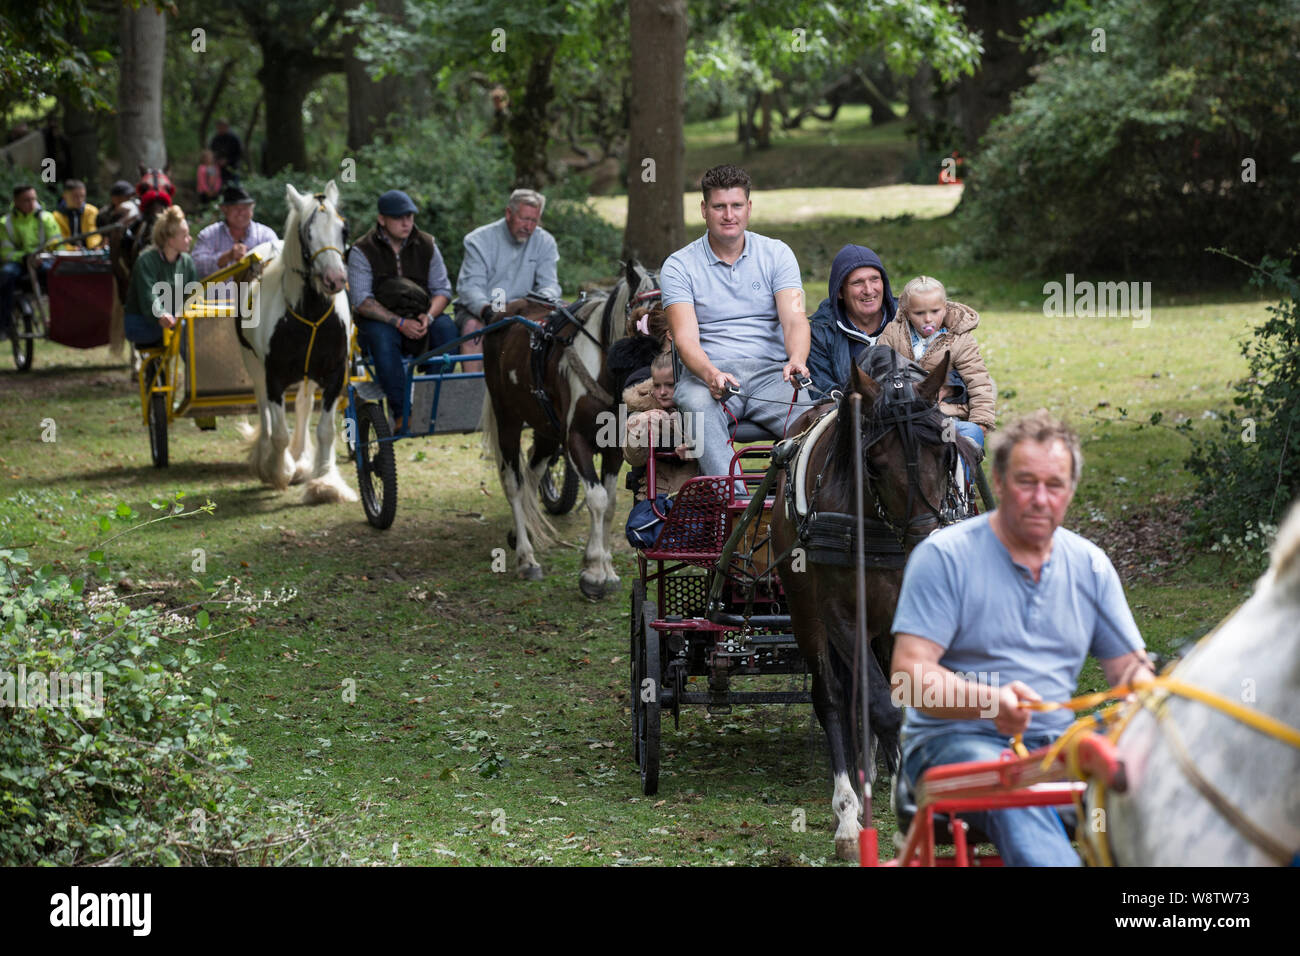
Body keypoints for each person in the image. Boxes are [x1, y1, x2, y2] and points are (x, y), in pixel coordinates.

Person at [890, 409, 1155, 867]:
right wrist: (990, 702)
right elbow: (908, 681)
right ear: (995, 478)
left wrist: (1147, 693)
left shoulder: (1089, 565)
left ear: (1070, 491)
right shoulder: (944, 557)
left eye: (1054, 486)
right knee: (1017, 784)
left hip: (1059, 748)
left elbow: (1130, 671)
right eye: (1025, 482)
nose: (1040, 499)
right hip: (950, 745)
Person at [661, 163, 812, 480]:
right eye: (719, 207)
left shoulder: (777, 254)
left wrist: (797, 359)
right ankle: (734, 510)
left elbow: (795, 319)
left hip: (772, 374)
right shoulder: (679, 266)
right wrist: (711, 374)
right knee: (697, 408)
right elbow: (685, 339)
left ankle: (798, 510)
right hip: (707, 375)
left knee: (812, 426)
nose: (728, 215)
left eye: (736, 206)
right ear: (704, 210)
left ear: (749, 208)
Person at [347, 189, 456, 429]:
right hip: (382, 322)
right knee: (381, 337)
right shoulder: (361, 250)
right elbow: (362, 301)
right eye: (398, 217)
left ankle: (432, 407)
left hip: (421, 315)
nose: (406, 222)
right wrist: (399, 322)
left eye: (410, 216)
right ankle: (401, 413)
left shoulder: (427, 244)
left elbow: (443, 290)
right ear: (382, 219)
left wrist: (428, 316)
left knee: (448, 329)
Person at [879, 274, 995, 452]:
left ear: (945, 308)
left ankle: (960, 476)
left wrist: (981, 420)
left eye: (935, 311)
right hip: (902, 414)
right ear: (906, 311)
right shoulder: (893, 333)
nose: (928, 319)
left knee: (963, 438)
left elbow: (978, 380)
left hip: (944, 415)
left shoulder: (960, 339)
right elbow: (880, 371)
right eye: (919, 313)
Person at [453, 188, 561, 373]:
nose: (528, 226)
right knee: (473, 328)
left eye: (533, 221)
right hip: (483, 309)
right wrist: (488, 310)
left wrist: (538, 302)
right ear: (509, 213)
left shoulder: (545, 242)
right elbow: (470, 287)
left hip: (524, 309)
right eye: (524, 219)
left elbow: (550, 284)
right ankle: (474, 392)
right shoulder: (478, 240)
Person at [622, 350, 699, 548]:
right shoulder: (644, 412)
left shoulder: (701, 411)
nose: (662, 391)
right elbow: (633, 457)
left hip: (695, 499)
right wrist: (642, 425)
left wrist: (696, 446)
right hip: (656, 498)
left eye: (670, 385)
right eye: (657, 386)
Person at [806, 244, 899, 395]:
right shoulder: (820, 333)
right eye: (857, 282)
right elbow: (824, 396)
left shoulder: (910, 316)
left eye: (874, 279)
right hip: (850, 415)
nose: (869, 290)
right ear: (840, 292)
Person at [122, 205, 198, 348]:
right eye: (185, 235)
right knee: (184, 333)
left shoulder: (187, 262)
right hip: (141, 323)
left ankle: (195, 370)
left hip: (174, 321)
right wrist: (162, 314)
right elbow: (149, 297)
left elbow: (194, 295)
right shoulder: (146, 261)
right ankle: (192, 370)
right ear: (170, 240)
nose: (189, 238)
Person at [1, 185, 61, 336]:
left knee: (57, 275)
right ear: (16, 201)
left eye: (33, 199)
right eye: (26, 200)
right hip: (18, 262)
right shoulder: (5, 223)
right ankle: (4, 324)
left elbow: (56, 243)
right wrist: (23, 257)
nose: (31, 203)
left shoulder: (47, 218)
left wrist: (41, 256)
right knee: (5, 277)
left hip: (42, 260)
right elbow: (5, 251)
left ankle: (59, 318)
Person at [190, 184, 278, 278]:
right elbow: (194, 266)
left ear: (252, 209)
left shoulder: (266, 235)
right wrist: (226, 257)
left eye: (245, 207)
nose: (241, 212)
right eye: (235, 208)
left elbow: (278, 265)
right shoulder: (209, 235)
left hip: (259, 292)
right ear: (224, 209)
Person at [51, 179, 103, 250]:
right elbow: (58, 239)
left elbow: (93, 232)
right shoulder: (56, 215)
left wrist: (94, 246)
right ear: (65, 196)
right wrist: (72, 249)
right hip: (66, 256)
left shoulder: (91, 211)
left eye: (82, 196)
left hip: (90, 255)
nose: (79, 200)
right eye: (75, 196)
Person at [208, 120, 243, 186]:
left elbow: (239, 153)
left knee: (234, 188)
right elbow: (211, 152)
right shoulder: (215, 139)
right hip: (218, 168)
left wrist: (227, 160)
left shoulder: (234, 138)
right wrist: (216, 160)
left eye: (221, 127)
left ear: (226, 127)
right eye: (218, 128)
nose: (220, 130)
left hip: (233, 168)